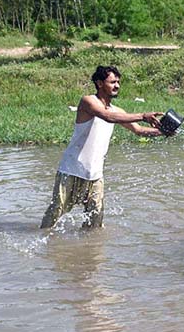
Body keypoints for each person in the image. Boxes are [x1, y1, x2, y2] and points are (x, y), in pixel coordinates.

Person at [40, 65, 164, 229]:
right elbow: (107, 116)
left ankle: (90, 251)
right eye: (112, 82)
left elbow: (139, 130)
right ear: (99, 83)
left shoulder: (117, 110)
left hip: (95, 175)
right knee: (54, 214)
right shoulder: (88, 101)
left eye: (118, 82)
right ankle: (44, 245)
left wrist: (163, 132)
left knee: (95, 222)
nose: (117, 86)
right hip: (71, 169)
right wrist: (142, 115)